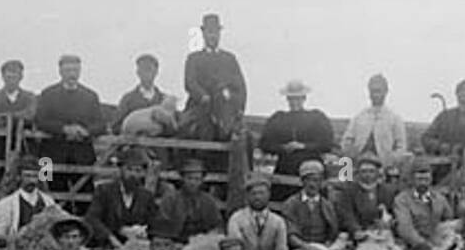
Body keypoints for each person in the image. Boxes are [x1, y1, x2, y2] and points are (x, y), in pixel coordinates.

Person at [181, 13, 246, 142]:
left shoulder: (229, 59)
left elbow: (240, 86)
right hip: (201, 106)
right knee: (188, 129)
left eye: (215, 32)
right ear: (203, 34)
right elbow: (190, 83)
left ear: (219, 34)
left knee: (243, 138)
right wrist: (202, 96)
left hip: (226, 107)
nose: (212, 36)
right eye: (209, 32)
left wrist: (239, 107)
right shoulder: (194, 58)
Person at [35, 54, 106, 166]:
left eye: (75, 70)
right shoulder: (48, 94)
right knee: (45, 181)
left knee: (83, 183)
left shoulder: (90, 96)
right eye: (68, 70)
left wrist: (85, 131)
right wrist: (64, 129)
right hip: (49, 157)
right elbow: (40, 121)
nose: (72, 74)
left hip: (82, 156)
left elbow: (101, 125)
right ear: (60, 72)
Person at [259, 80, 335, 180]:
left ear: (304, 98)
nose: (294, 102)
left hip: (311, 166)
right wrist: (283, 148)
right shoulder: (278, 119)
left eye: (298, 98)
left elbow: (326, 144)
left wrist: (303, 146)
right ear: (287, 99)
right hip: (286, 166)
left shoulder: (316, 118)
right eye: (291, 99)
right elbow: (265, 143)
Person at [85, 147, 158, 248]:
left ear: (143, 173)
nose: (133, 174)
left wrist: (142, 231)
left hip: (138, 246)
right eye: (129, 169)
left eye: (137, 171)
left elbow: (154, 222)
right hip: (107, 246)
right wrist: (112, 237)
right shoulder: (104, 190)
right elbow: (92, 218)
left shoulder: (146, 196)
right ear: (121, 170)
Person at [0, 155, 64, 242]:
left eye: (34, 176)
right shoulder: (6, 204)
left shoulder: (48, 202)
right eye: (27, 176)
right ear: (19, 177)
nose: (31, 181)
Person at [0, 59, 38, 168]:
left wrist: (7, 117)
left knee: (31, 172)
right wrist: (9, 120)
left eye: (15, 75)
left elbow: (31, 115)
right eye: (8, 75)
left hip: (25, 145)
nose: (11, 79)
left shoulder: (29, 97)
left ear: (21, 77)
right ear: (3, 76)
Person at [340, 74, 407, 167]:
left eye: (378, 91)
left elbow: (401, 146)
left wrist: (391, 160)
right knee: (343, 172)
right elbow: (346, 141)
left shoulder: (395, 119)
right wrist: (351, 154)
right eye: (372, 91)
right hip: (359, 165)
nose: (375, 95)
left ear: (385, 92)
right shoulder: (359, 117)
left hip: (383, 166)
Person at [225, 174, 288, 250]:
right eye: (253, 193)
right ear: (247, 196)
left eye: (261, 193)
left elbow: (281, 249)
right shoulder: (236, 218)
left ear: (269, 194)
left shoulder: (278, 221)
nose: (257, 197)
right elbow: (235, 247)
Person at [421, 79, 465, 157]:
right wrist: (441, 147)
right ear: (457, 95)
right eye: (462, 90)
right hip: (443, 165)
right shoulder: (444, 117)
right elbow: (426, 138)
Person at [281, 160, 339, 250]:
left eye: (316, 180)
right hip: (299, 249)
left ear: (321, 182)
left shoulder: (327, 205)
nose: (312, 184)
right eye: (308, 180)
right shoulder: (291, 204)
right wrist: (306, 247)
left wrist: (325, 248)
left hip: (323, 249)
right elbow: (290, 235)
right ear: (302, 182)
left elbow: (333, 232)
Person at [334, 153, 398, 239]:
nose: (368, 175)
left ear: (377, 172)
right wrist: (356, 230)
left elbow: (394, 213)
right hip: (357, 235)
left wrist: (389, 222)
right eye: (364, 171)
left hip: (383, 234)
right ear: (358, 173)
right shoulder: (349, 192)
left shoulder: (388, 191)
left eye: (371, 171)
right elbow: (346, 215)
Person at [157, 159, 223, 241]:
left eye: (197, 179)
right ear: (183, 178)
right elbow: (162, 226)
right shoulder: (170, 199)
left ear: (202, 180)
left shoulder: (208, 201)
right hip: (175, 241)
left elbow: (216, 225)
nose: (192, 182)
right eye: (189, 178)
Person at [393, 162, 453, 250]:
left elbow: (448, 218)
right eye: (419, 179)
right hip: (411, 245)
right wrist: (425, 245)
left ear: (431, 179)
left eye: (426, 179)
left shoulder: (439, 198)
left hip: (436, 241)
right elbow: (405, 229)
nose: (423, 183)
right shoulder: (402, 200)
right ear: (412, 180)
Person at [112, 54, 166, 133]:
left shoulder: (164, 101)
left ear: (156, 72)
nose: (146, 74)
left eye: (149, 69)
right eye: (143, 70)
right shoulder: (128, 100)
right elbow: (116, 126)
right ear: (138, 73)